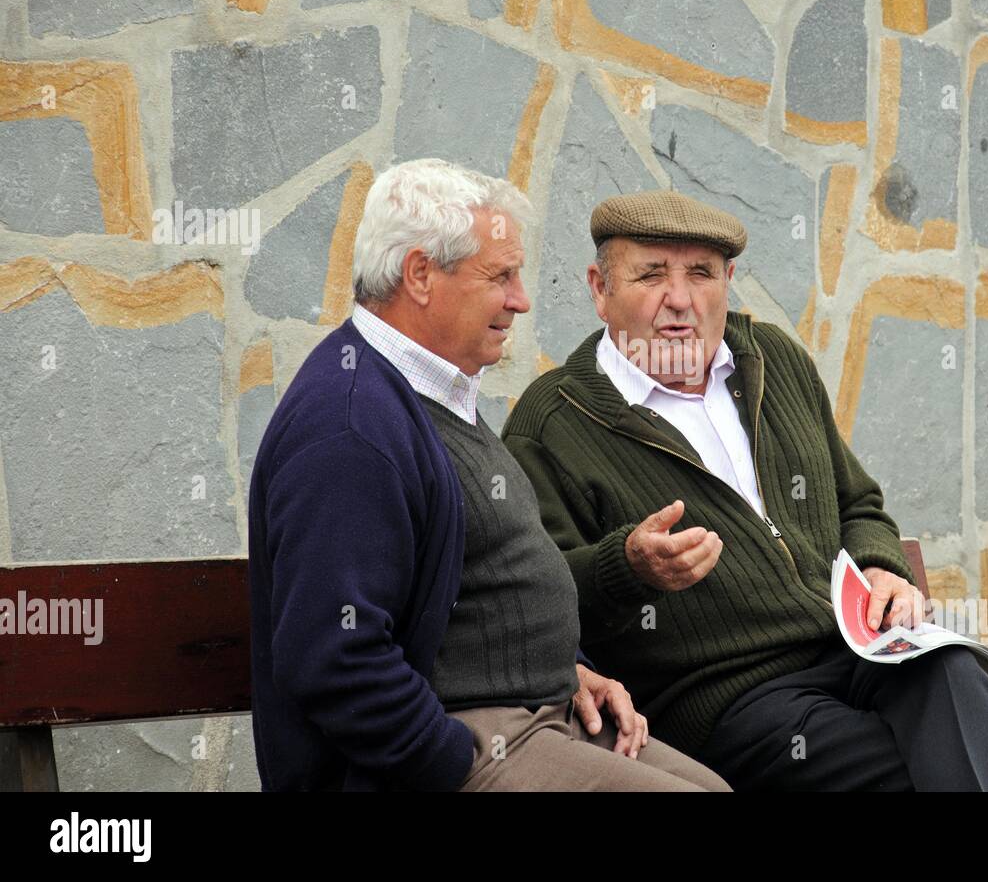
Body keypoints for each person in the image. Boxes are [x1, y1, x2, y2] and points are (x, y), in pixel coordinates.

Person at [502, 189, 988, 791]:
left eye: (702, 275)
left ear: (729, 281)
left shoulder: (774, 360)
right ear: (600, 289)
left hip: (854, 651)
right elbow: (533, 602)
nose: (679, 300)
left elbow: (858, 504)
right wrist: (627, 566)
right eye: (651, 275)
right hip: (729, 701)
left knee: (952, 669)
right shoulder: (553, 421)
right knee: (930, 772)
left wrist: (881, 566)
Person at [247, 161, 728, 791]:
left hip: (542, 714)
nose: (521, 299)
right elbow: (335, 660)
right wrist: (447, 759)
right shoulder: (350, 426)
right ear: (420, 274)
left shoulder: (431, 393)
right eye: (500, 275)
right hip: (460, 745)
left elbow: (480, 585)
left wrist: (569, 670)